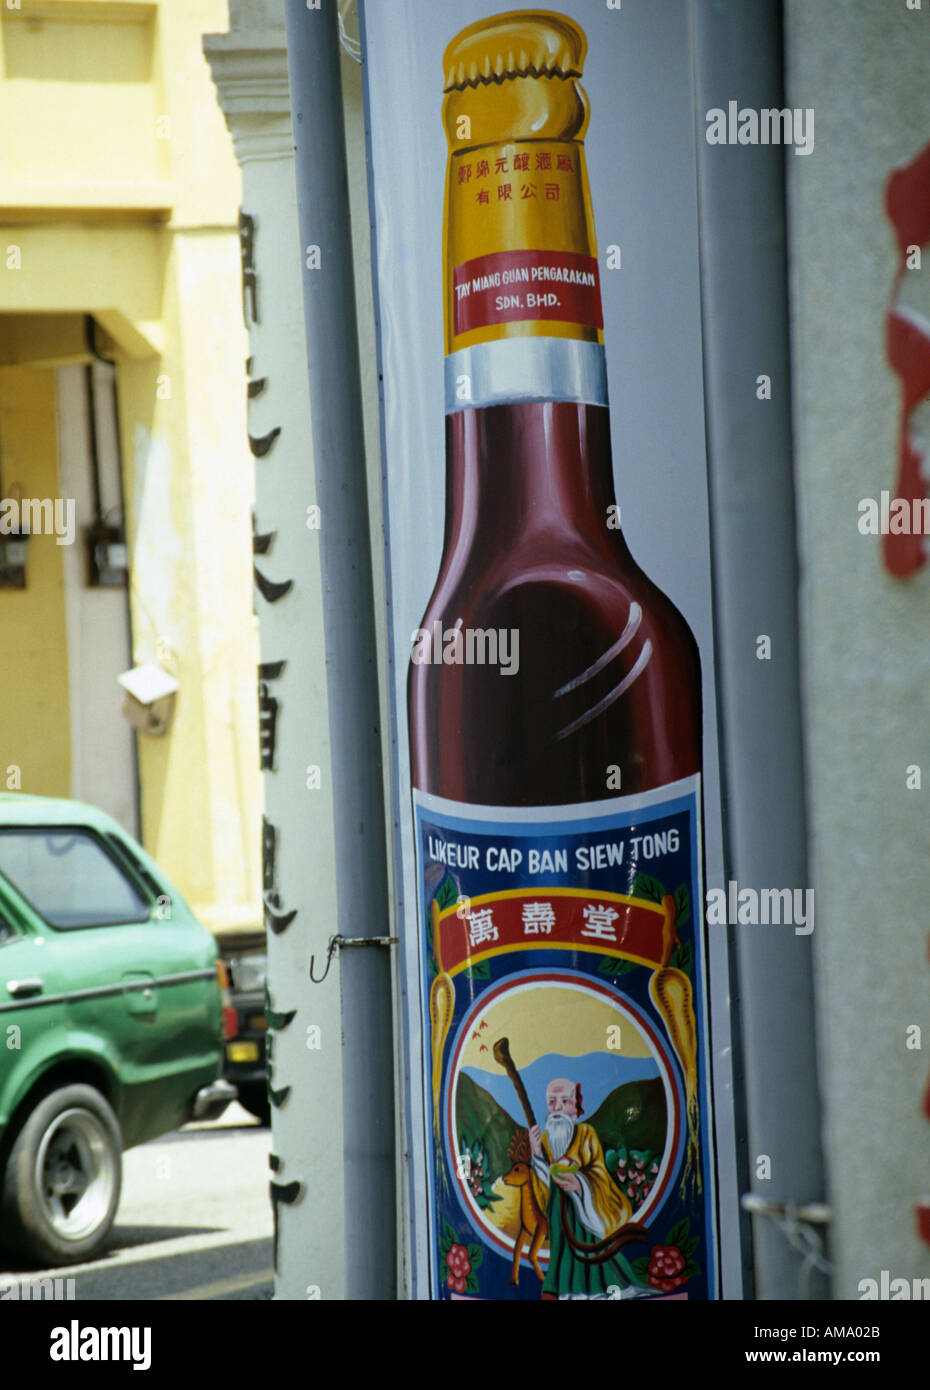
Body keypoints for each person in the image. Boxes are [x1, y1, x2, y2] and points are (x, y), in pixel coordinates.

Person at [528, 1077, 647, 1299]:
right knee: (561, 1252)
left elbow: (597, 1171)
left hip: (583, 1210)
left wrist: (581, 1185)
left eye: (565, 1101)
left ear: (576, 1107)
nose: (558, 1108)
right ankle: (558, 1288)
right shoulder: (547, 1136)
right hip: (558, 1211)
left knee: (590, 1252)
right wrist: (536, 1155)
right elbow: (545, 1180)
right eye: (552, 1102)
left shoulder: (586, 1133)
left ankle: (594, 1289)